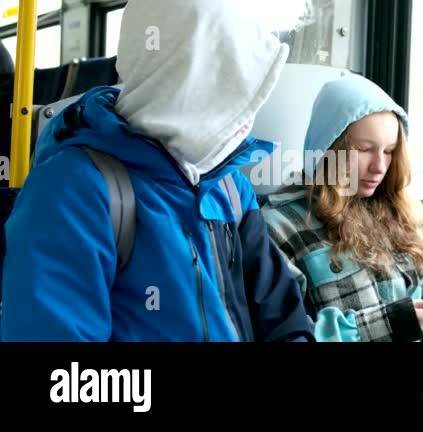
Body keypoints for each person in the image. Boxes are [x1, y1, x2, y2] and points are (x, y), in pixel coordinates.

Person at [0, 0, 313, 342]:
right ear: (182, 82)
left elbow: (283, 319)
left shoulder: (230, 188)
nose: (242, 120)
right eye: (230, 94)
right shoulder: (74, 189)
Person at [262, 74, 423, 342]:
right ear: (327, 149)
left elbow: (420, 328)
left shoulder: (395, 216)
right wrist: (395, 323)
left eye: (389, 151)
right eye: (364, 149)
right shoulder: (280, 227)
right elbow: (289, 335)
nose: (379, 167)